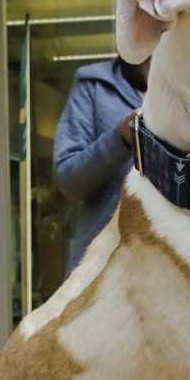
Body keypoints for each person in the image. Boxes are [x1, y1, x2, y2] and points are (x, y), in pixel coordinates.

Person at [52, 56, 146, 274]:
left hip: (178, 271)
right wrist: (120, 138)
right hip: (102, 269)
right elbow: (68, 181)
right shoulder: (94, 85)